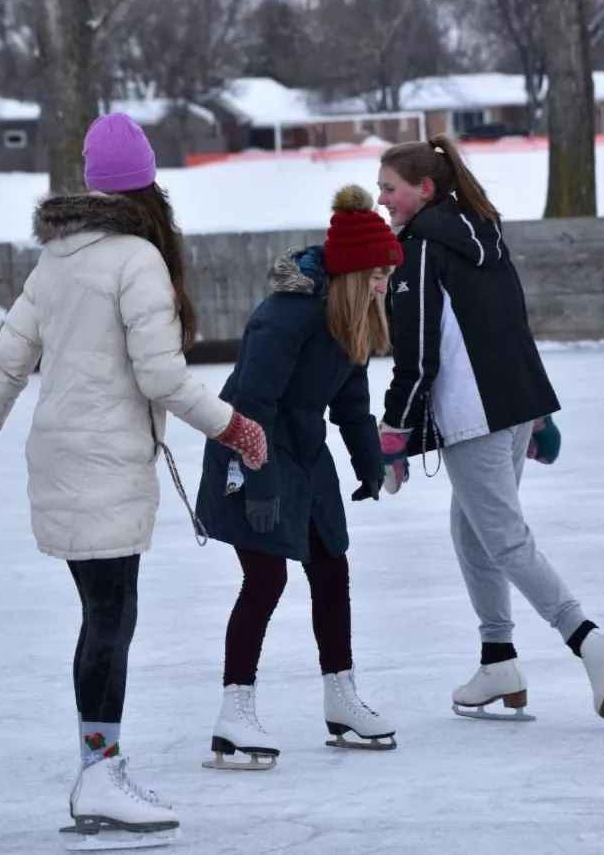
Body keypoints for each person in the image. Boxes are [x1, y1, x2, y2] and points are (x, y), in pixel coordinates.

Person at [0, 113, 269, 842]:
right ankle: (99, 772)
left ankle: (99, 765)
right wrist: (234, 426)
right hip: (104, 458)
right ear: (149, 185)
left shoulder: (57, 259)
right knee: (112, 615)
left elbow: (7, 361)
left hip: (62, 454)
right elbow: (162, 376)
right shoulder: (136, 259)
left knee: (102, 614)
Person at [374, 133, 604, 728]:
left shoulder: (420, 249)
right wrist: (538, 412)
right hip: (513, 407)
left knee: (503, 538)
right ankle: (499, 661)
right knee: (473, 531)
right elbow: (513, 327)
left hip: (475, 419)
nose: (382, 200)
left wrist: (392, 430)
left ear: (423, 189)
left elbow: (416, 358)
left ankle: (593, 644)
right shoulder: (484, 235)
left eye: (389, 189)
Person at [194, 185, 400, 770]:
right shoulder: (285, 316)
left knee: (331, 567)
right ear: (357, 272)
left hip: (306, 456)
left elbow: (353, 403)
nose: (386, 283)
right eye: (380, 273)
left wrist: (368, 460)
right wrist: (258, 482)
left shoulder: (351, 316)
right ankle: (234, 712)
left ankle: (342, 700)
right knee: (266, 580)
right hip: (250, 447)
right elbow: (253, 403)